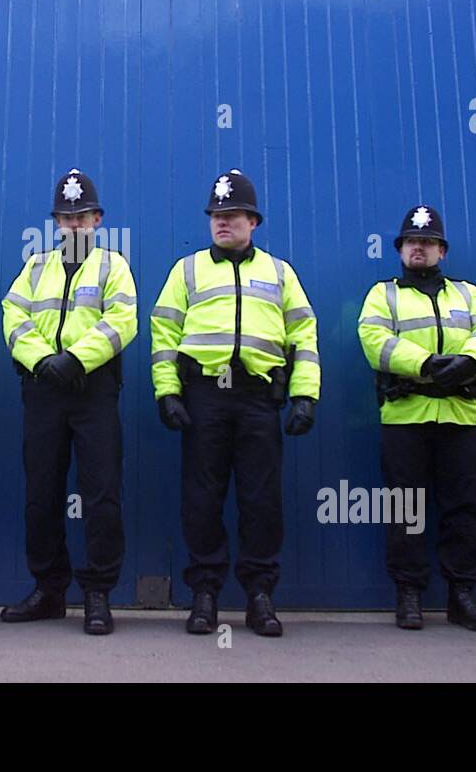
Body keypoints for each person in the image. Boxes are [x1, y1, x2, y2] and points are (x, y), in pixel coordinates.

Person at [150, 169, 319, 637]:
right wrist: (167, 391)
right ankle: (204, 594)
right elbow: (163, 334)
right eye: (216, 215)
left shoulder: (280, 273)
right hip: (204, 396)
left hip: (257, 398)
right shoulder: (187, 271)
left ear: (254, 221)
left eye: (233, 215)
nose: (223, 222)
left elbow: (304, 335)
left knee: (261, 500)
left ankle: (259, 596)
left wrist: (305, 394)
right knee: (201, 499)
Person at [0, 169, 137, 635]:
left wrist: (77, 360)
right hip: (44, 391)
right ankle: (49, 591)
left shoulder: (113, 266)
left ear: (98, 220)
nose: (73, 224)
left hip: (92, 391)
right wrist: (43, 361)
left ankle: (97, 594)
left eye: (82, 217)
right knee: (41, 495)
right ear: (56, 221)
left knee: (101, 494)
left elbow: (123, 320)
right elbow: (13, 315)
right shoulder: (36, 266)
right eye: (65, 217)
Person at [357, 204, 476, 631]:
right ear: (401, 249)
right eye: (411, 241)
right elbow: (374, 339)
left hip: (459, 417)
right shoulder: (382, 294)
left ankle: (462, 595)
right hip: (405, 418)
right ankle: (409, 594)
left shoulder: (468, 294)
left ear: (442, 250)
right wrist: (428, 365)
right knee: (406, 509)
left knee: (464, 509)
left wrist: (470, 362)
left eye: (427, 241)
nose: (418, 247)